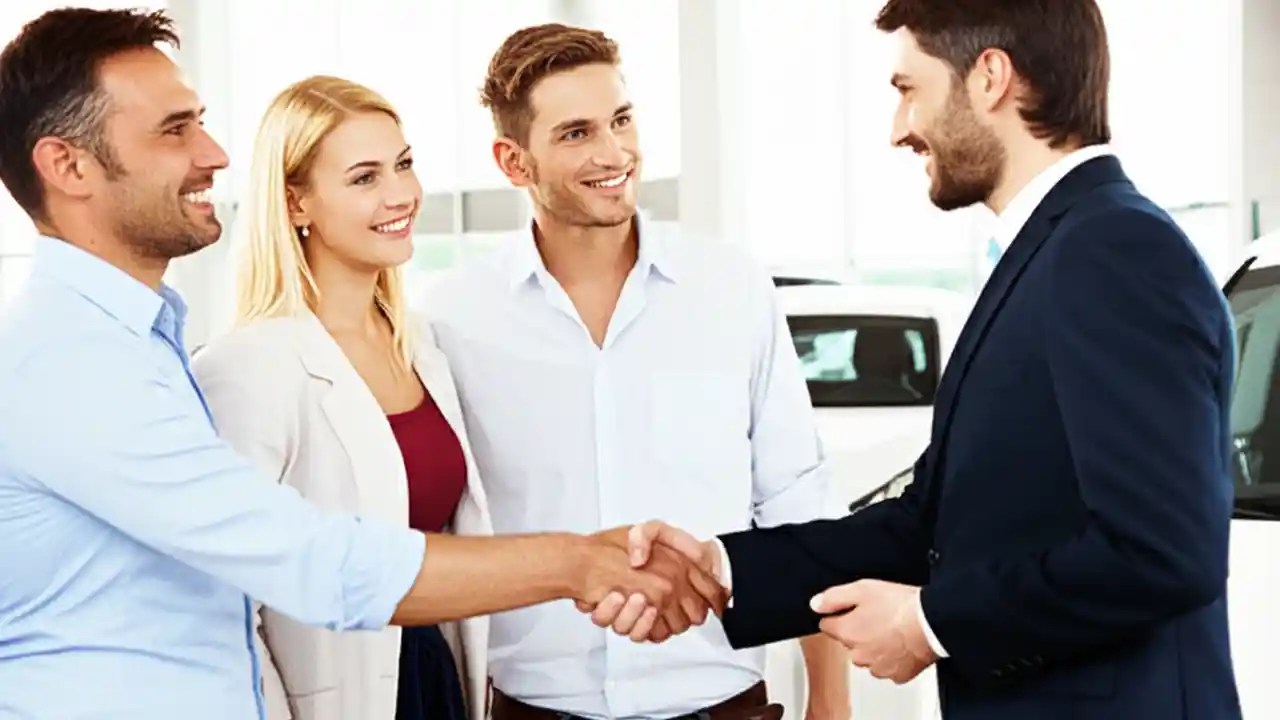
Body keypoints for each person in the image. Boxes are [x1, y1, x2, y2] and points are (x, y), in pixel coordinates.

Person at [0, 9, 720, 720]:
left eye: (403, 166)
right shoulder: (73, 365)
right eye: (174, 130)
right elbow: (309, 565)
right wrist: (577, 563)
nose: (215, 154)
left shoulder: (144, 342)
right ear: (67, 165)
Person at [620, 1, 1243, 719]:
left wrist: (929, 623)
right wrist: (723, 568)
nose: (898, 130)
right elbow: (934, 523)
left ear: (990, 78)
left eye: (907, 89)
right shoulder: (1052, 250)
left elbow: (1162, 552)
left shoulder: (1111, 252)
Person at [422, 23, 850, 720]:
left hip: (723, 704)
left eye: (621, 120)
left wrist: (830, 702)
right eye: (576, 133)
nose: (613, 152)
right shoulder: (452, 319)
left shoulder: (733, 290)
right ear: (513, 161)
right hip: (532, 707)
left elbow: (799, 505)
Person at [189, 76, 489, 720]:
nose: (400, 194)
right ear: (296, 204)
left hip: (435, 678)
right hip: (338, 697)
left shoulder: (423, 345)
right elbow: (224, 611)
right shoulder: (248, 368)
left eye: (403, 165)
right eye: (364, 178)